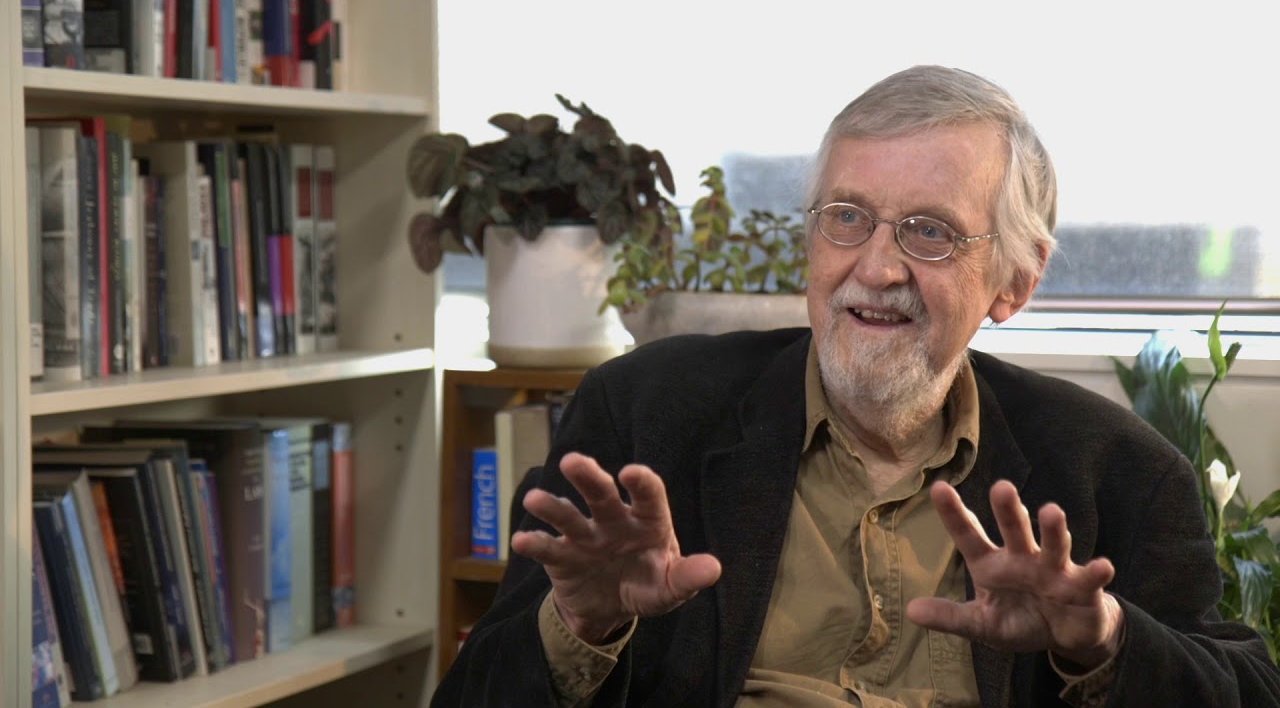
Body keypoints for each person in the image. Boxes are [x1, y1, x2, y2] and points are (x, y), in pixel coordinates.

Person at [430, 65, 1280, 707]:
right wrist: (580, 625)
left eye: (930, 232)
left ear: (1016, 282)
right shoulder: (644, 416)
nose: (876, 268)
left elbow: (1246, 688)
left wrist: (1104, 641)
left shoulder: (1115, 470)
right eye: (847, 217)